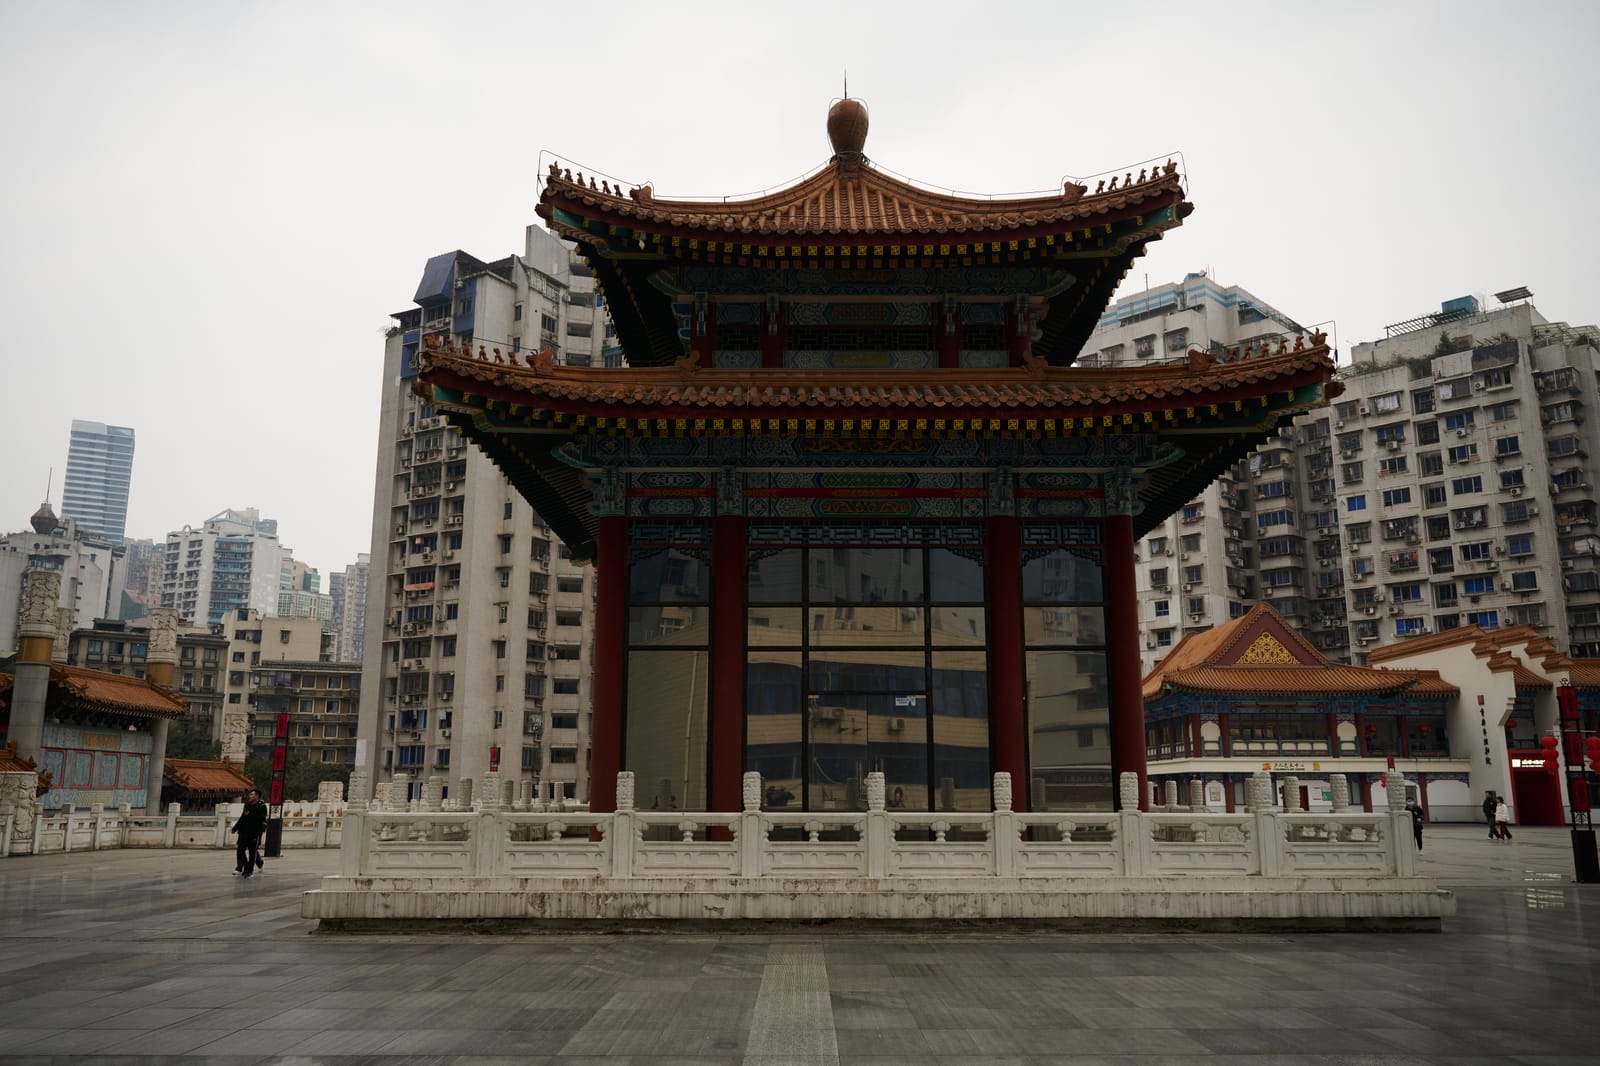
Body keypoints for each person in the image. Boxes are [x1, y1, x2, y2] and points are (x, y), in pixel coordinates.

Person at [232, 788, 268, 877]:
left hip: (254, 832)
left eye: (252, 794)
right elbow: (243, 817)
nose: (250, 796)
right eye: (250, 794)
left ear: (257, 796)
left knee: (252, 852)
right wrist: (236, 827)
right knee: (240, 850)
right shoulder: (247, 804)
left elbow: (261, 819)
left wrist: (250, 815)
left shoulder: (262, 806)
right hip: (244, 831)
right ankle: (245, 866)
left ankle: (249, 870)